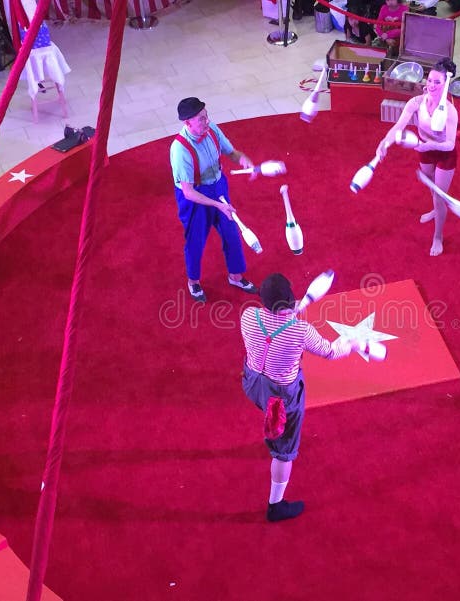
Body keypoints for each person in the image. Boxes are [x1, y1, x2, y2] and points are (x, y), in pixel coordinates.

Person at [240, 273, 359, 522]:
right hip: (281, 399)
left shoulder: (248, 316)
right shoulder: (301, 331)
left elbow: (273, 330)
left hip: (252, 384)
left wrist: (285, 316)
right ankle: (276, 505)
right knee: (284, 450)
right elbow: (330, 351)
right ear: (290, 299)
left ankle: (272, 433)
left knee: (271, 419)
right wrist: (352, 342)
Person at [170, 97, 259, 303]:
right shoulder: (180, 149)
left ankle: (236, 276)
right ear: (187, 123)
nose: (207, 121)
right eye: (201, 119)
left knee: (232, 232)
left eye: (206, 116)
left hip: (218, 186)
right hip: (195, 198)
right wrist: (219, 205)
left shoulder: (212, 130)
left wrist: (243, 159)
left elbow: (232, 153)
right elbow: (188, 192)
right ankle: (193, 282)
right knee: (195, 241)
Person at [376, 57, 459, 257]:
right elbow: (398, 126)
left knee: (439, 197)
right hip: (425, 151)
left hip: (444, 155)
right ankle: (436, 210)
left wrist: (428, 145)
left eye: (436, 82)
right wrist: (384, 143)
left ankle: (438, 236)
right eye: (429, 80)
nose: (431, 85)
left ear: (445, 84)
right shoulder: (416, 102)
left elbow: (450, 144)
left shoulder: (450, 111)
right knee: (431, 186)